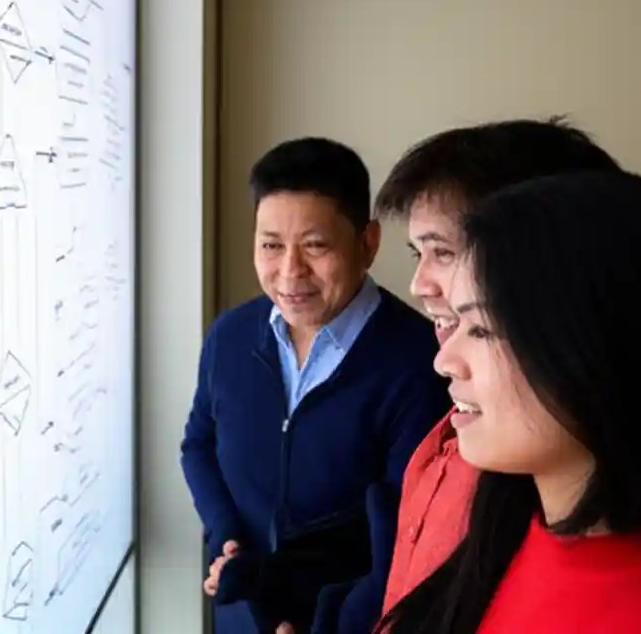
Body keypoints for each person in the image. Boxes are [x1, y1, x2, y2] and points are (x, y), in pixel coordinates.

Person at [374, 169, 641, 632]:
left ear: (594, 345)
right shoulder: (501, 531)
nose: (445, 361)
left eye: (481, 329)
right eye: (455, 326)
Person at [180, 137, 450, 633]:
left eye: (315, 245)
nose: (289, 272)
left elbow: (407, 530)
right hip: (242, 611)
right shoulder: (231, 336)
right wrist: (227, 539)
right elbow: (198, 444)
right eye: (271, 245)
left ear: (367, 242)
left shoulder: (421, 361)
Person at [368, 118, 622, 615]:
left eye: (444, 252)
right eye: (418, 252)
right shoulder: (467, 427)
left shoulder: (534, 457)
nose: (419, 282)